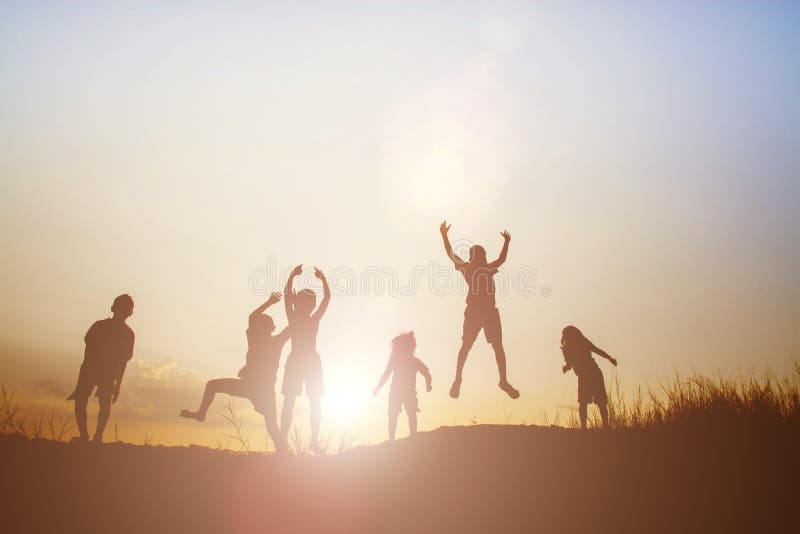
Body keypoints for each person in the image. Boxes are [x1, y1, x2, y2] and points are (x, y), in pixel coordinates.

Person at [180, 292, 289, 452]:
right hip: (252, 387)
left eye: (259, 326)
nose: (255, 327)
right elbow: (256, 319)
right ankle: (200, 414)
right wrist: (273, 303)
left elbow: (254, 318)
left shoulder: (265, 340)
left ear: (264, 328)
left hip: (260, 390)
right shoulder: (264, 340)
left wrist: (270, 303)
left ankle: (284, 451)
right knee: (212, 385)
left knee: (272, 425)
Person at [439, 220, 519, 400]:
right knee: (466, 346)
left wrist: (506, 243)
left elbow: (501, 259)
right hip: (475, 312)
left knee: (497, 347)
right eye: (480, 254)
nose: (483, 257)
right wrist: (444, 236)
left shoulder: (486, 267)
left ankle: (503, 381)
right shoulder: (469, 267)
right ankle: (458, 379)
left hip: (489, 312)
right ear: (474, 257)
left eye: (483, 254)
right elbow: (451, 254)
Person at [67, 294, 136, 444]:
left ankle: (94, 436)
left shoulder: (123, 333)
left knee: (98, 402)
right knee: (90, 401)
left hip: (101, 371)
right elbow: (90, 350)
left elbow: (123, 361)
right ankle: (90, 436)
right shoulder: (108, 329)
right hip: (94, 369)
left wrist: (117, 383)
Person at [281, 265, 330, 454]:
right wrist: (293, 276)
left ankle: (312, 442)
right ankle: (284, 442)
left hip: (308, 362)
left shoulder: (304, 318)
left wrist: (294, 276)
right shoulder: (299, 317)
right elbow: (287, 296)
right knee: (292, 402)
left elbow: (326, 299)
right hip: (300, 361)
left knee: (313, 402)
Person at [373, 331, 432, 441]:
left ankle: (406, 437)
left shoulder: (409, 361)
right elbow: (386, 375)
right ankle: (395, 439)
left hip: (403, 391)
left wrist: (428, 383)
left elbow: (426, 373)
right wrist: (378, 388)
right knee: (397, 415)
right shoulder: (405, 361)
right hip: (399, 392)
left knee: (406, 414)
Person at [560, 325, 618, 429]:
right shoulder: (567, 349)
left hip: (594, 374)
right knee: (583, 402)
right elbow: (570, 364)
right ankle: (584, 427)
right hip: (584, 377)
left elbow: (597, 350)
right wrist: (566, 367)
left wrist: (610, 358)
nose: (565, 337)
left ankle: (605, 427)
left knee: (599, 402)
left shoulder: (582, 342)